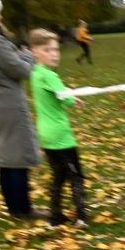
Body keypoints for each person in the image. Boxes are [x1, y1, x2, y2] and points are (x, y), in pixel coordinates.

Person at [29, 29, 88, 227]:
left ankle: (55, 217)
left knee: (58, 176)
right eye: (47, 50)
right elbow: (64, 97)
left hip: (45, 135)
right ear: (34, 52)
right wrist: (75, 100)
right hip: (61, 136)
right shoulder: (50, 75)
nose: (54, 54)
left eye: (56, 49)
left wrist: (70, 96)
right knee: (76, 176)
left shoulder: (36, 73)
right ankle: (81, 217)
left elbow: (57, 95)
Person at [0, 0, 40, 219]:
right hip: (7, 104)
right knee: (16, 159)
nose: (0, 16)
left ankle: (14, 209)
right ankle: (23, 210)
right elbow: (20, 70)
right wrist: (28, 56)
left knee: (6, 160)